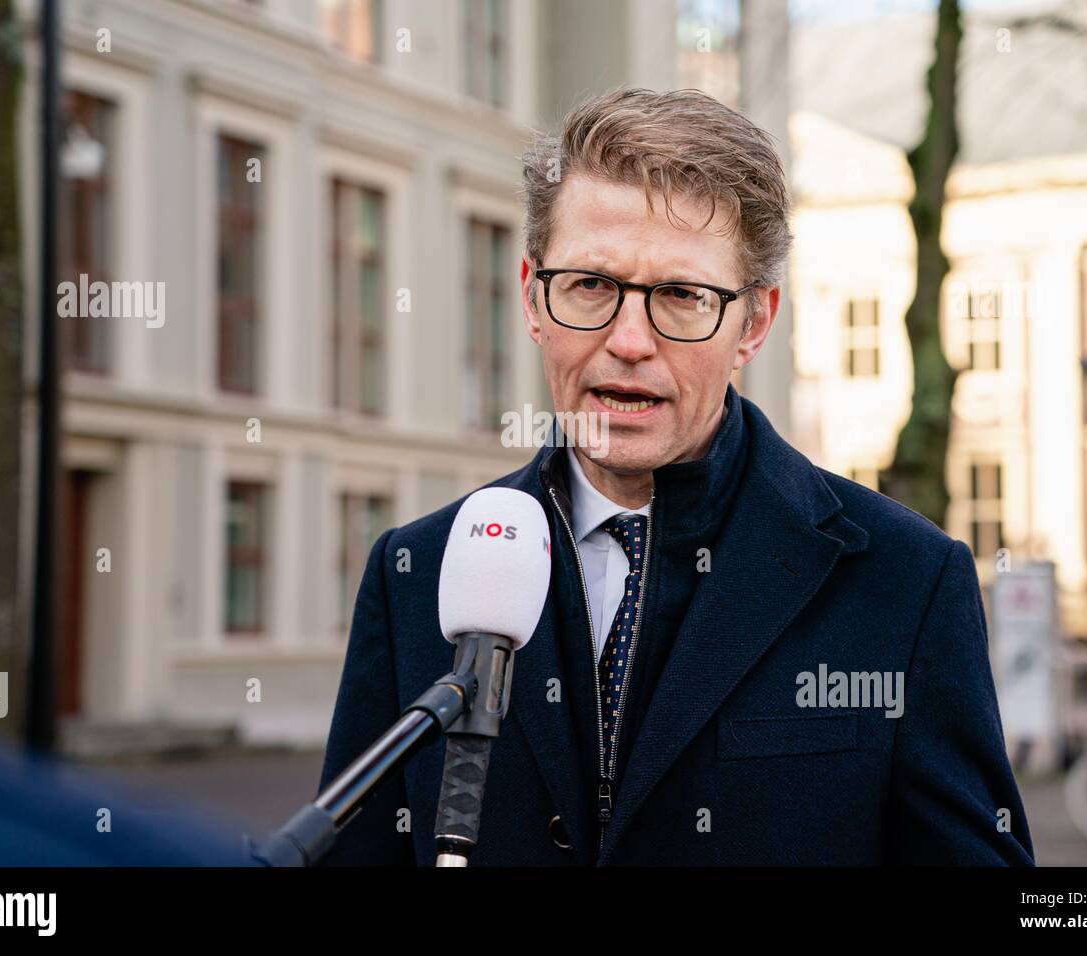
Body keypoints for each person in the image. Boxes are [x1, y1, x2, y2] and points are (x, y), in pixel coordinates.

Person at [318, 87, 1034, 865]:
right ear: (532, 295)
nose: (629, 340)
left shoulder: (903, 582)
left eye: (683, 296)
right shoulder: (414, 572)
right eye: (591, 284)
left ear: (754, 323)